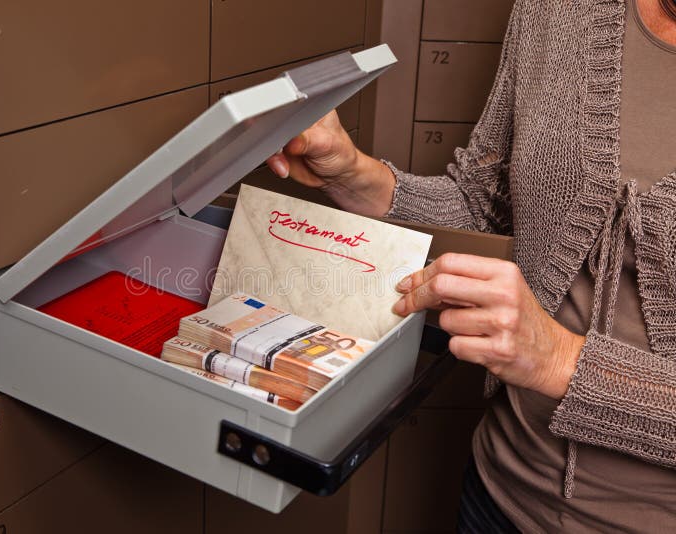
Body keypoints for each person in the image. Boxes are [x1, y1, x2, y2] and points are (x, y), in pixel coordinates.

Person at [267, 0, 676, 531]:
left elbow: (550, 354)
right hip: (499, 493)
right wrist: (354, 178)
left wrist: (557, 360)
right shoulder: (557, 9)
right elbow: (485, 202)